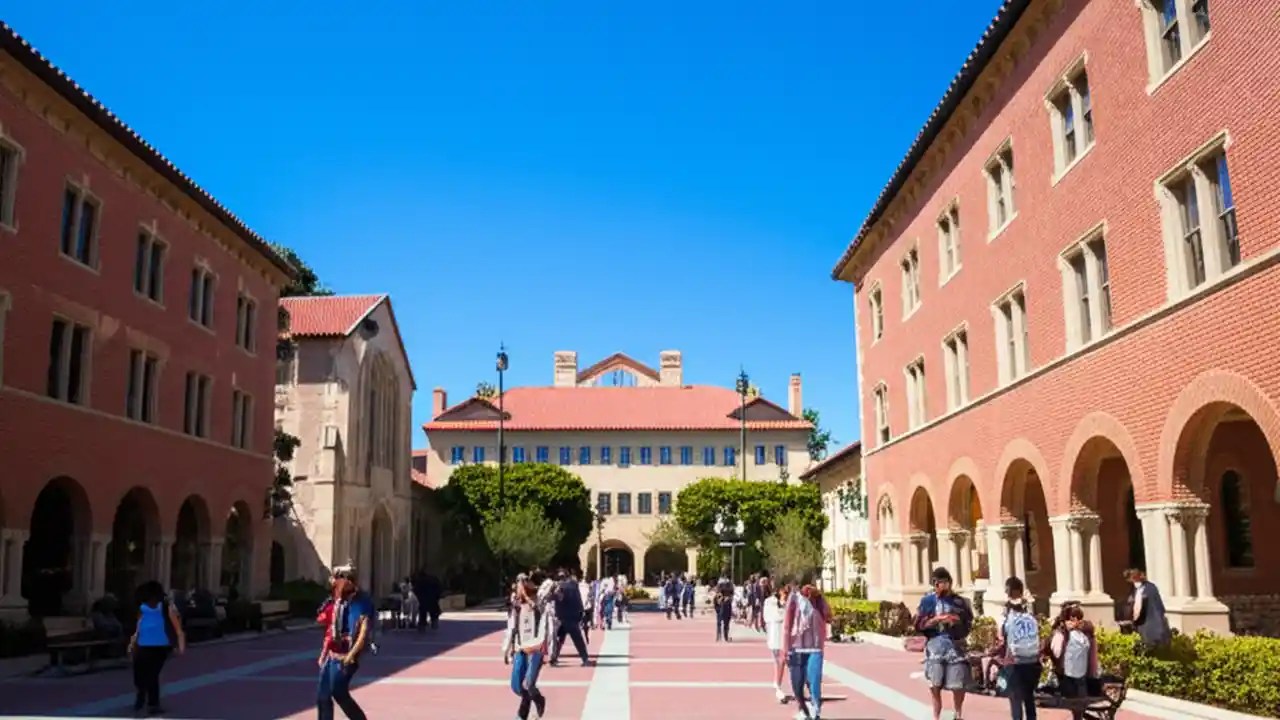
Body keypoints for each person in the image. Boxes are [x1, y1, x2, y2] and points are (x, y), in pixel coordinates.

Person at [914, 567, 973, 720]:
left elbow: (967, 623)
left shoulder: (959, 601)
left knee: (958, 683)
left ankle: (958, 714)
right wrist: (935, 620)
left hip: (955, 644)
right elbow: (919, 625)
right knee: (935, 684)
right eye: (937, 583)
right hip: (935, 644)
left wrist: (955, 622)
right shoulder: (927, 601)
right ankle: (936, 716)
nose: (939, 586)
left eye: (942, 583)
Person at [317, 566, 372, 720]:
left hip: (347, 654)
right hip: (332, 654)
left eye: (339, 577)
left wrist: (352, 654)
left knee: (338, 691)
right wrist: (324, 652)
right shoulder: (336, 599)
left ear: (349, 581)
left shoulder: (362, 601)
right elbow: (328, 625)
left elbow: (363, 630)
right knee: (323, 695)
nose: (335, 581)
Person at [130, 581, 185, 717]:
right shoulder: (147, 605)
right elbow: (138, 625)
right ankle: (146, 699)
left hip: (156, 644)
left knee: (148, 672)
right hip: (151, 643)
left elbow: (175, 622)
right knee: (146, 673)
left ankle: (148, 700)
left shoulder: (162, 604)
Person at [781, 584, 831, 720]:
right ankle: (802, 708)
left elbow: (829, 616)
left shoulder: (819, 600)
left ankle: (815, 708)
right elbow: (787, 624)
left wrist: (819, 599)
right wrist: (785, 648)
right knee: (797, 684)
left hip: (815, 647)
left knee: (814, 680)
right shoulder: (794, 599)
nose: (808, 590)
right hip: (796, 647)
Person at [995, 577, 1042, 720]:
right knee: (1029, 698)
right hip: (1033, 662)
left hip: (1015, 663)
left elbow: (1001, 639)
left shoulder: (1007, 617)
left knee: (1015, 699)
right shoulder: (1030, 616)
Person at [508, 576, 550, 720]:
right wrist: (507, 648)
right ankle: (530, 704)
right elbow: (511, 627)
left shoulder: (539, 604)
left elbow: (538, 608)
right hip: (521, 649)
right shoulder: (517, 606)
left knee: (528, 684)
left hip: (535, 649)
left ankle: (527, 711)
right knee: (516, 686)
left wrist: (526, 594)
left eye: (524, 582)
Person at [1047, 603, 1099, 699]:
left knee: (1075, 701)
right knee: (1078, 700)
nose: (1076, 622)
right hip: (1076, 674)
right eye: (1073, 619)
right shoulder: (1082, 633)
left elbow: (1057, 653)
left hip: (1071, 675)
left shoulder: (1069, 633)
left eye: (1078, 619)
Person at [551, 570, 591, 666]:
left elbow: (558, 598)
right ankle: (585, 658)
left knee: (558, 639)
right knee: (577, 639)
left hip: (562, 617)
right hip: (573, 616)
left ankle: (554, 657)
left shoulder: (560, 587)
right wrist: (581, 612)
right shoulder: (574, 586)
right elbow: (578, 600)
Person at [1124, 568, 1170, 649]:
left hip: (1152, 624)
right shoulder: (1136, 590)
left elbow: (1157, 608)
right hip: (1141, 624)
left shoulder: (1150, 588)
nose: (1133, 583)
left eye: (1133, 579)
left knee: (1152, 645)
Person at [763, 583, 790, 703]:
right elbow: (773, 617)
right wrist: (784, 608)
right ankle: (778, 685)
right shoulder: (770, 602)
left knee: (781, 661)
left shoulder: (786, 602)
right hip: (775, 634)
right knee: (780, 660)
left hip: (782, 635)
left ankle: (777, 683)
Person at [714, 571, 734, 641]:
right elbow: (718, 594)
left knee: (725, 621)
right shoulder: (721, 584)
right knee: (722, 621)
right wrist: (722, 598)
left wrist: (728, 598)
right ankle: (720, 636)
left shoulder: (729, 584)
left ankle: (722, 636)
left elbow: (731, 594)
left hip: (726, 604)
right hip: (722, 604)